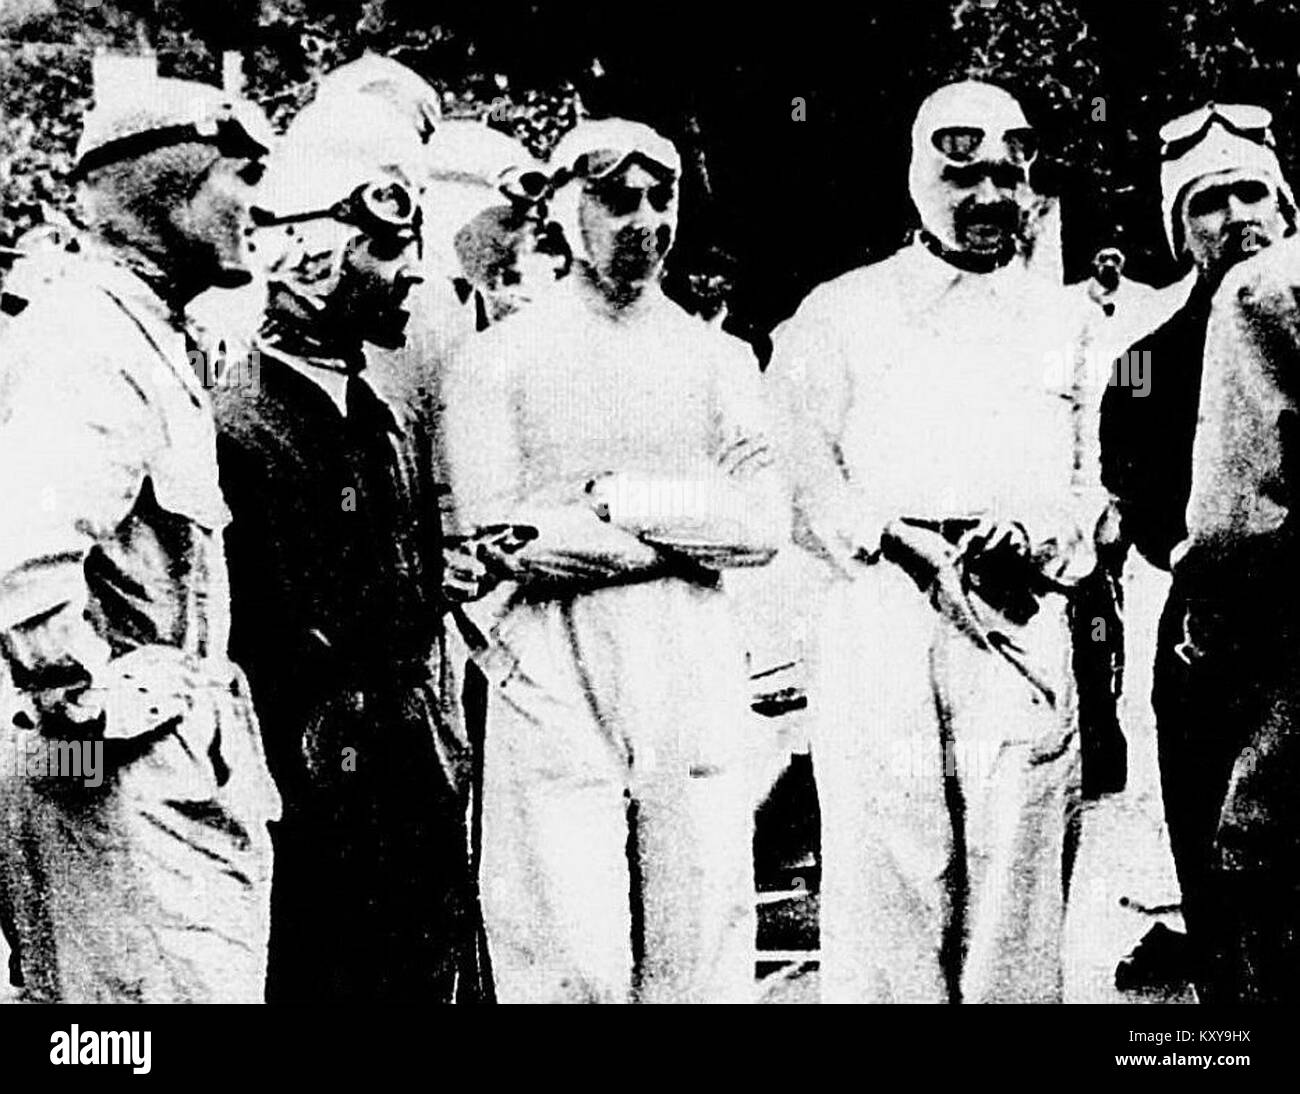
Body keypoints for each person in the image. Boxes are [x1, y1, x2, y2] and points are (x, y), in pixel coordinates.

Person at [769, 80, 1105, 1003]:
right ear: (919, 176)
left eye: (1008, 175)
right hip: (882, 608)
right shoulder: (839, 312)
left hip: (1018, 612)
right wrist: (885, 534)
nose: (989, 196)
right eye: (964, 176)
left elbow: (1093, 482)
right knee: (889, 869)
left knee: (1018, 867)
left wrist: (1039, 536)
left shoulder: (1072, 322)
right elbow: (798, 472)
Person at [443, 117, 785, 1003]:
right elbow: (504, 536)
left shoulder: (719, 361)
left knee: (702, 925)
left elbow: (760, 526)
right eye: (615, 199)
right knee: (563, 934)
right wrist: (683, 530)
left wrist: (621, 497)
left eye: (659, 198)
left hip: (691, 658)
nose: (642, 221)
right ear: (564, 208)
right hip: (551, 663)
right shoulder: (496, 361)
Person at [215, 61, 510, 1002]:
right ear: (306, 258)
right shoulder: (241, 425)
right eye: (386, 249)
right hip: (315, 795)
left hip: (396, 778)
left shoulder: (369, 414)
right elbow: (273, 636)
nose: (412, 272)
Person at [0, 75, 281, 1002]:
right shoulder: (91, 337)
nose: (257, 206)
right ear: (171, 188)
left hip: (142, 760)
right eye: (241, 177)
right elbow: (24, 563)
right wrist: (91, 720)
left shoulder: (146, 334)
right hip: (118, 768)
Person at [1099, 102, 1297, 1000]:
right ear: (1179, 230)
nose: (1236, 217)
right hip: (1207, 638)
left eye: (1252, 193)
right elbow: (1129, 471)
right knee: (1222, 872)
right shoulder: (1145, 355)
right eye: (1208, 203)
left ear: (1286, 207)